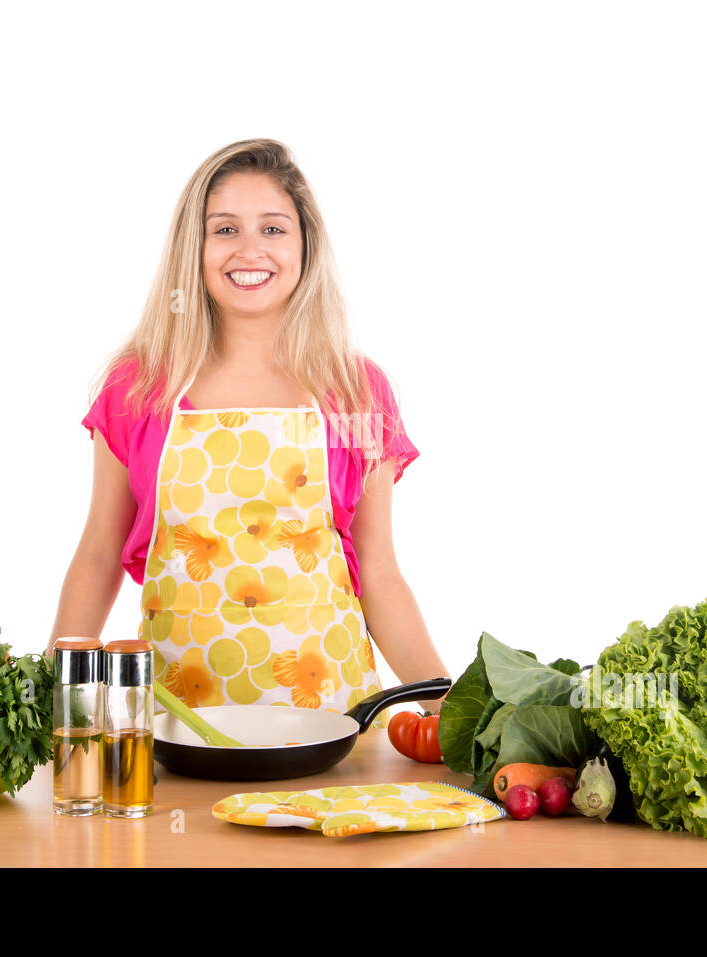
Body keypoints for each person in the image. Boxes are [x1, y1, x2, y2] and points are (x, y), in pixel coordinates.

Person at [48, 138, 448, 721]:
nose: (250, 250)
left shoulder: (356, 391)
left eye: (273, 229)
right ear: (196, 247)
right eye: (226, 229)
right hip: (172, 732)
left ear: (305, 246)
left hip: (335, 729)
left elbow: (380, 573)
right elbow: (100, 554)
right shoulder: (138, 388)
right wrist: (52, 696)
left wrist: (450, 705)